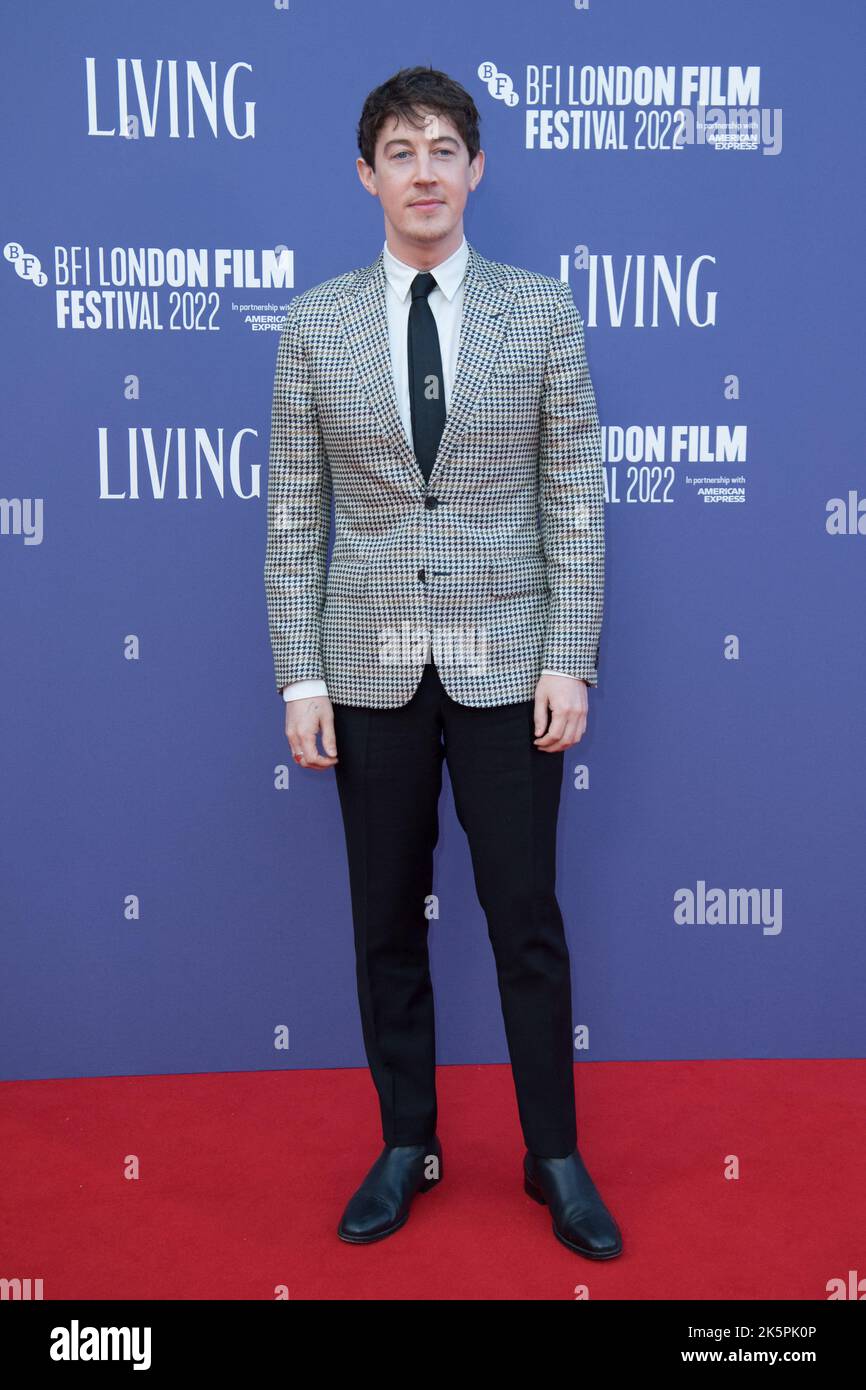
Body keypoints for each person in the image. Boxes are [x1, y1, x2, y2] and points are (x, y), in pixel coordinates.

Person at [264, 65, 621, 1259]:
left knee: (522, 916)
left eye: (443, 149)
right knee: (383, 922)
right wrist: (299, 677)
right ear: (366, 175)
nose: (423, 170)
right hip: (364, 671)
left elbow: (571, 498)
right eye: (399, 150)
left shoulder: (541, 312)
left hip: (510, 665)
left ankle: (552, 1155)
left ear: (476, 170)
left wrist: (568, 656)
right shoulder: (314, 324)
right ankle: (404, 1144)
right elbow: (291, 517)